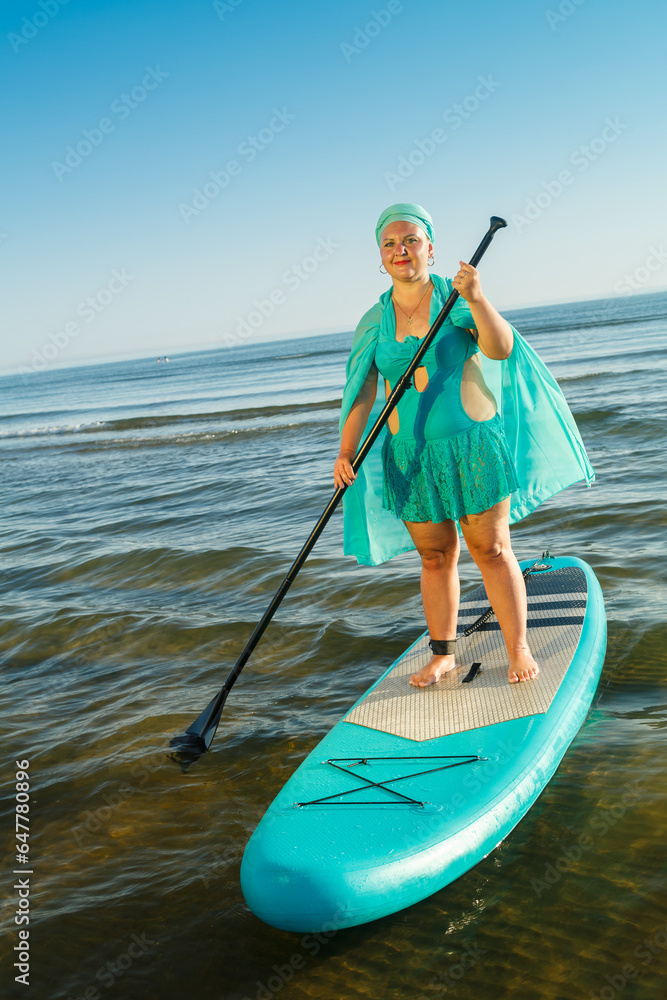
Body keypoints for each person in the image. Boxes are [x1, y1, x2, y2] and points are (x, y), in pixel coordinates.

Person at [333, 203, 594, 688]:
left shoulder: (454, 299)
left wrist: (476, 296)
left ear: (429, 248)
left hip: (472, 446)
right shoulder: (373, 320)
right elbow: (362, 391)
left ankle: (518, 647)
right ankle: (443, 655)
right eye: (390, 244)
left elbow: (500, 347)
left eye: (410, 240)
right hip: (409, 457)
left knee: (491, 550)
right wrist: (346, 452)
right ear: (381, 256)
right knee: (435, 558)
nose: (400, 250)